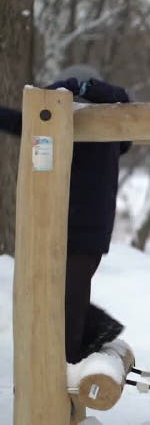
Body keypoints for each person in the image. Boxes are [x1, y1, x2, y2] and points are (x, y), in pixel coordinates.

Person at [0, 65, 131, 366]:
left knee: (67, 299)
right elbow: (25, 120)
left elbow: (33, 112)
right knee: (64, 294)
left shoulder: (96, 126)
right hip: (80, 227)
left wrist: (74, 87)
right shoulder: (103, 127)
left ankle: (69, 362)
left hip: (80, 226)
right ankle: (87, 341)